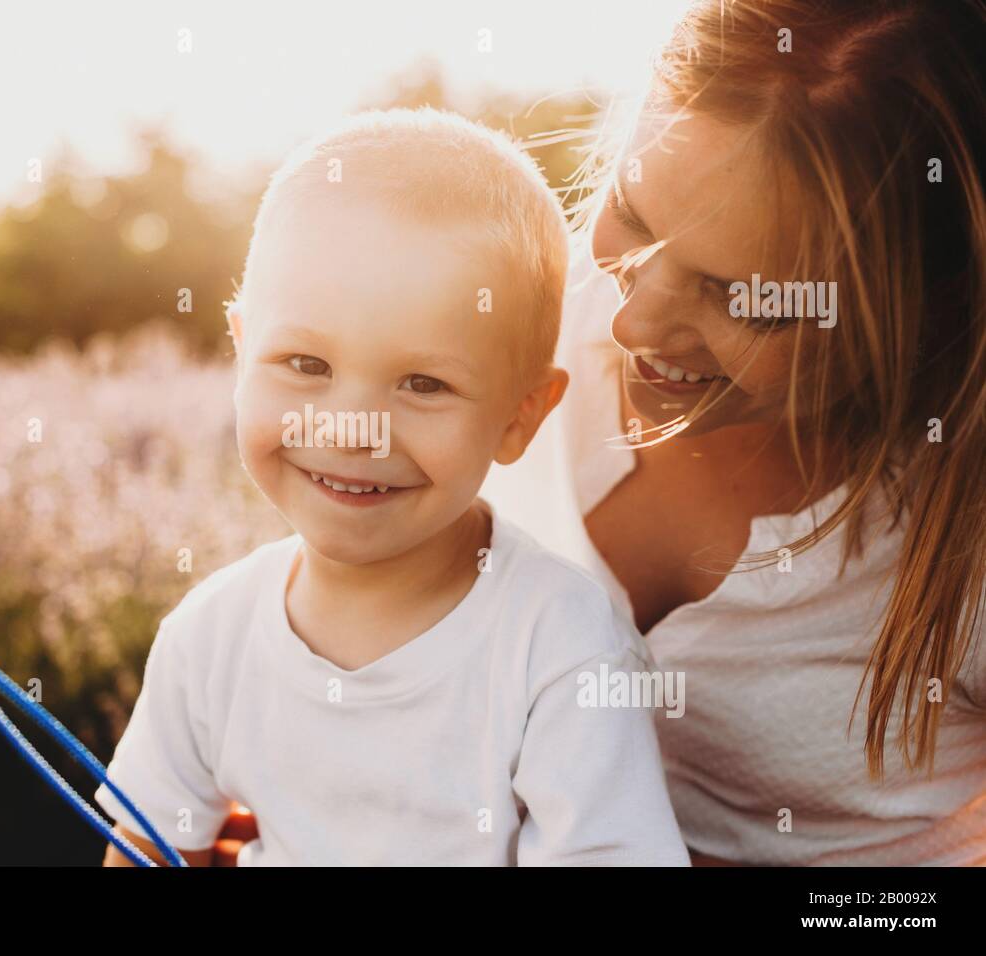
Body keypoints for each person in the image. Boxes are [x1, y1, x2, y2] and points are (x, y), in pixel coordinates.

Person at [214, 0, 986, 867]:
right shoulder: (500, 315)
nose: (630, 324)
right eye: (634, 214)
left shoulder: (961, 534)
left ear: (923, 313)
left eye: (738, 297)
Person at [95, 107, 690, 865]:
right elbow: (144, 847)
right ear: (241, 353)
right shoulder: (207, 638)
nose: (352, 429)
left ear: (520, 416)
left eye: (423, 382)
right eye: (306, 366)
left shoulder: (563, 646)